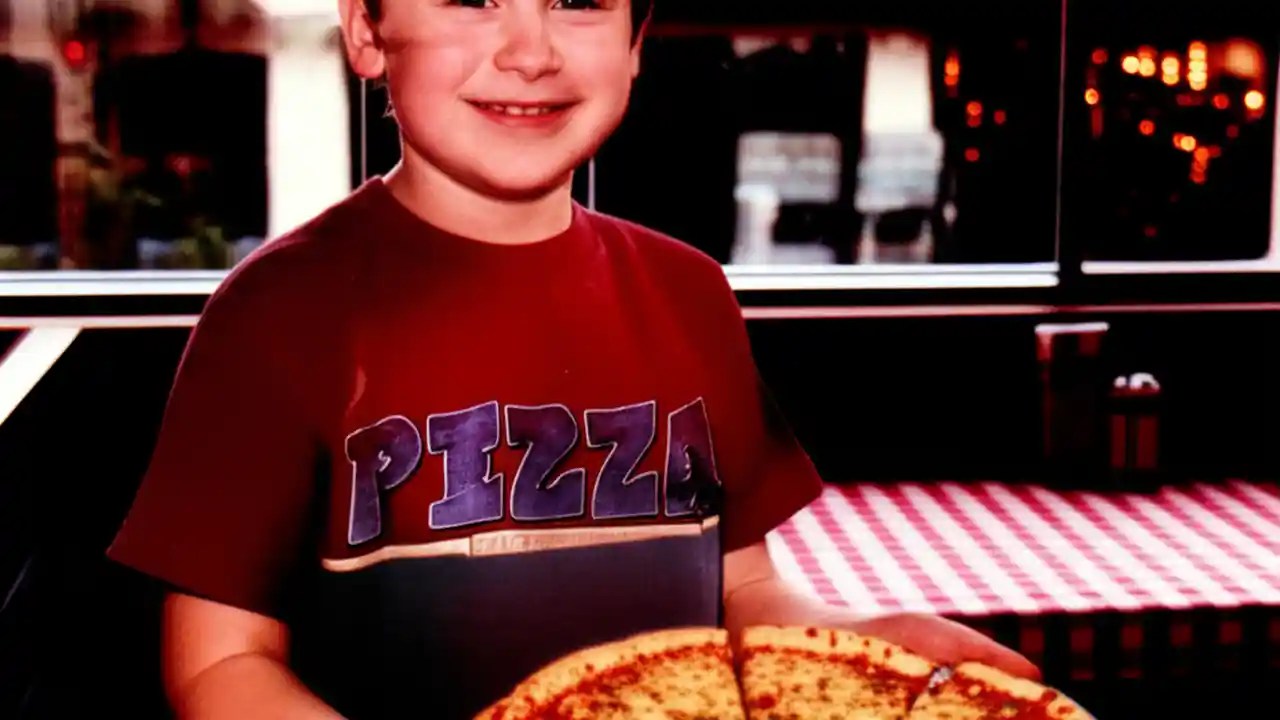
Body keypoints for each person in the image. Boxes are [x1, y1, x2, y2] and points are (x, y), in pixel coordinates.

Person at [107, 1, 1038, 718]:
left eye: (580, 1)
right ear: (366, 30)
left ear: (636, 43)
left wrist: (862, 643)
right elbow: (219, 664)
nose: (532, 51)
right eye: (473, 0)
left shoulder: (688, 292)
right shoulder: (275, 314)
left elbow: (743, 590)